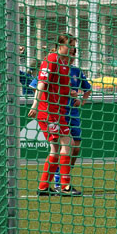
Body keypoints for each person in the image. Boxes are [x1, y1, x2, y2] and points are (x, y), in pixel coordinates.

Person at [28, 33, 82, 196]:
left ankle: (44, 187)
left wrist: (73, 94)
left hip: (57, 112)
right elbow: (41, 83)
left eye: (74, 46)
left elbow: (62, 89)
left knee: (56, 148)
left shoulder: (65, 65)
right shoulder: (51, 60)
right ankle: (64, 186)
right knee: (68, 143)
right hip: (49, 111)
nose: (72, 49)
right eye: (70, 45)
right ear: (60, 45)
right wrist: (35, 105)